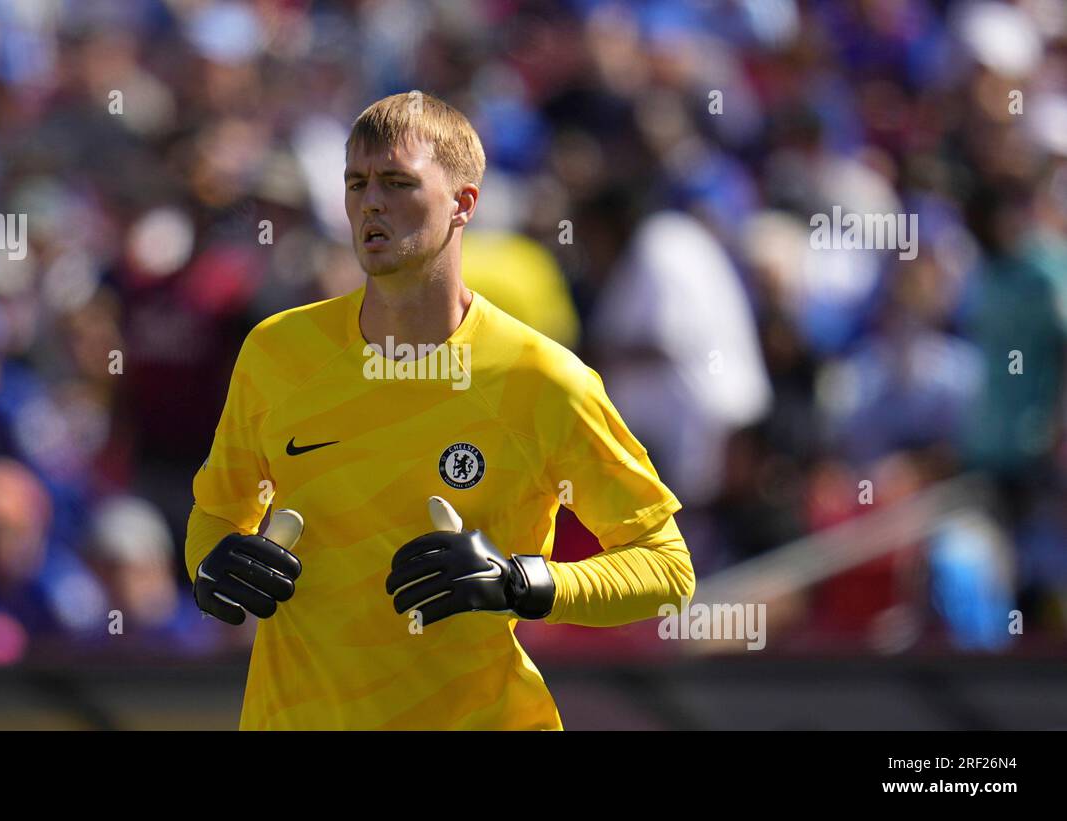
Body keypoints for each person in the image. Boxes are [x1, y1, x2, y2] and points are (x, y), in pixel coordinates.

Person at [184, 91, 694, 730]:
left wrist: (522, 583)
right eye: (356, 183)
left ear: (464, 202)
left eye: (397, 182)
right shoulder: (275, 352)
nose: (371, 202)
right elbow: (216, 512)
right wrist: (212, 566)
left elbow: (667, 567)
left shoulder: (540, 377)